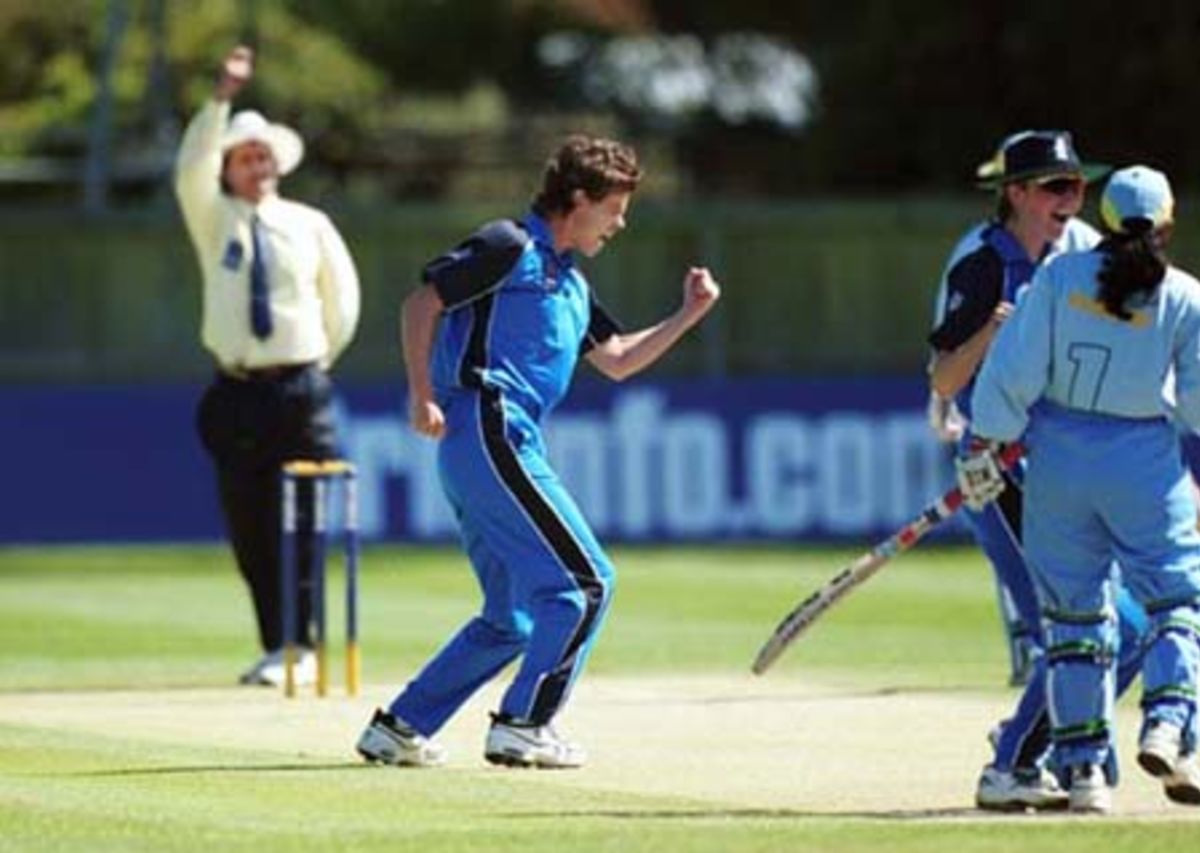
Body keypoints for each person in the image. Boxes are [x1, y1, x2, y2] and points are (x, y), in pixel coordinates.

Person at [355, 135, 720, 769]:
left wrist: (688, 314)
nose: (622, 222)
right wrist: (420, 396)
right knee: (586, 583)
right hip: (490, 429)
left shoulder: (571, 283)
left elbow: (619, 360)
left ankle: (400, 727)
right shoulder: (509, 245)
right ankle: (524, 724)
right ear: (577, 200)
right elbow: (422, 304)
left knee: (513, 617)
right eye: (614, 207)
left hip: (491, 447)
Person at [960, 165, 1200, 813]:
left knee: (1073, 618)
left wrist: (986, 440)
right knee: (1178, 597)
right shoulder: (1184, 295)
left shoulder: (1058, 278)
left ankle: (1086, 770)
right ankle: (1171, 725)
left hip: (1059, 461)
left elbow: (1013, 369)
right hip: (1144, 459)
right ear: (1168, 224)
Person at [174, 45, 361, 687]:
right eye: (243, 156)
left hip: (301, 389)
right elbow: (190, 167)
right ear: (228, 168)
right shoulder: (212, 217)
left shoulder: (308, 222)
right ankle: (275, 646)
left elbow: (343, 301)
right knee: (250, 524)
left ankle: (304, 647)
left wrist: (310, 362)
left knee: (306, 521)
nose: (256, 165)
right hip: (235, 392)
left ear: (277, 164)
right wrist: (220, 98)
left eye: (263, 156)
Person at [927, 130, 1109, 688]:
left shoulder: (1087, 253)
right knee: (1051, 620)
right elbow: (946, 374)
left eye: (1077, 188)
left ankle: (1052, 751)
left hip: (1066, 453)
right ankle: (1026, 755)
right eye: (1057, 188)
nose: (1071, 202)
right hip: (995, 461)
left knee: (1095, 617)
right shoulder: (980, 266)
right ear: (1018, 193)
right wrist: (992, 330)